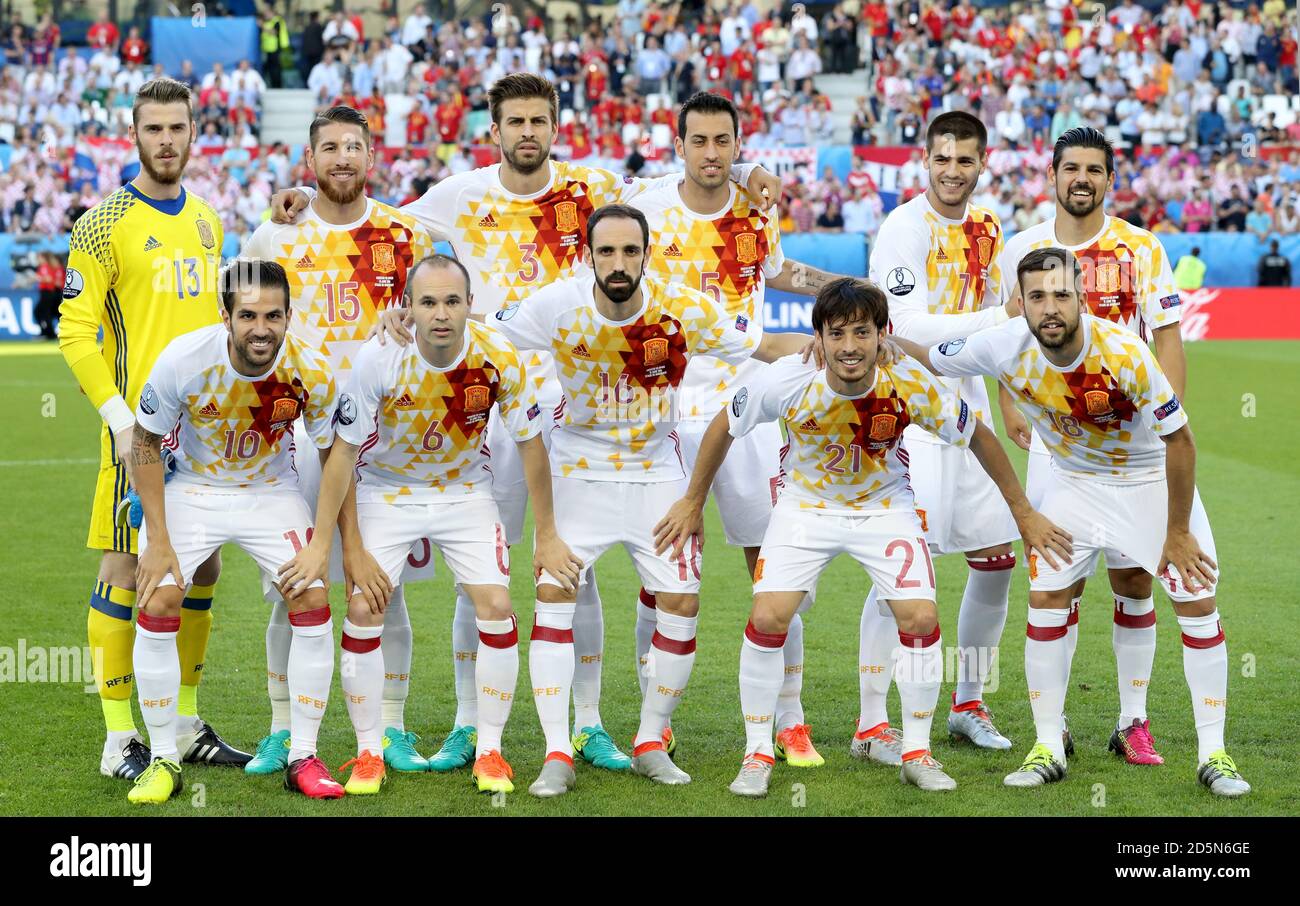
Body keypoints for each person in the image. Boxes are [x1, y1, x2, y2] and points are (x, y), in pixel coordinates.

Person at [270, 73, 781, 774]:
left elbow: (681, 178)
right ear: (496, 130)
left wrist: (749, 168)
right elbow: (383, 215)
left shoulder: (592, 189)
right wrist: (303, 206)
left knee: (571, 569)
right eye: (515, 122)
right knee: (477, 574)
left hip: (564, 417)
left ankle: (589, 723)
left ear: (555, 125)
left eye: (539, 120)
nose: (528, 133)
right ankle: (467, 725)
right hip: (476, 410)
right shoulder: (461, 195)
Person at [655, 278, 1067, 796]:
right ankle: (757, 751)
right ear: (818, 339)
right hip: (805, 507)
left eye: (862, 333)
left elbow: (979, 437)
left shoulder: (909, 381)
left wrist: (1023, 513)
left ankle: (916, 752)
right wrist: (692, 501)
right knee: (768, 615)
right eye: (837, 334)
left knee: (920, 617)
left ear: (882, 335)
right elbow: (722, 426)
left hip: (884, 506)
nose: (850, 346)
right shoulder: (786, 379)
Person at [485, 204, 813, 796]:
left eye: (629, 252)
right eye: (605, 252)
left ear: (646, 254)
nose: (618, 263)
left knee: (682, 607)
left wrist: (843, 344)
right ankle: (558, 751)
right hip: (578, 472)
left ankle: (649, 740)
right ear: (588, 255)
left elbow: (764, 346)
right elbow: (479, 330)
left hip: (658, 473)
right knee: (554, 596)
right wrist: (406, 319)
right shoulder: (555, 305)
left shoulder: (684, 308)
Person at [896, 247, 1249, 798]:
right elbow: (930, 358)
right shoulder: (1001, 346)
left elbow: (1180, 441)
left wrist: (1177, 531)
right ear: (1020, 303)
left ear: (1082, 297)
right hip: (1073, 484)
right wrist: (870, 335)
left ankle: (1215, 755)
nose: (1050, 307)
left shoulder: (1124, 352)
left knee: (1198, 600)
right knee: (1046, 599)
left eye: (1062, 294)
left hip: (1148, 479)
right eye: (1037, 297)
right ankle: (1047, 747)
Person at [279, 254, 579, 795]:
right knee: (365, 605)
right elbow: (342, 455)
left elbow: (533, 446)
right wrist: (333, 544)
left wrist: (549, 534)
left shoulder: (496, 355)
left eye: (451, 301)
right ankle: (369, 750)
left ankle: (490, 750)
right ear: (408, 308)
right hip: (385, 492)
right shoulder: (379, 357)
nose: (440, 314)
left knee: (497, 605)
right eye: (428, 303)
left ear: (470, 305)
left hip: (466, 491)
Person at [628, 91, 845, 768]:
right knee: (662, 572)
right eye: (700, 141)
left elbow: (777, 271)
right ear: (679, 144)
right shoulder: (645, 206)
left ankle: (790, 719)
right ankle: (654, 722)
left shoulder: (754, 210)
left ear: (737, 146)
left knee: (769, 566)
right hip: (663, 409)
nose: (713, 154)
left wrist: (844, 287)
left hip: (747, 410)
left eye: (725, 142)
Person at [998, 127, 1209, 765]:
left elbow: (1167, 335)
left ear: (1109, 181)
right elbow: (1004, 335)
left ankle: (1131, 720)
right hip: (1058, 444)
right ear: (1053, 176)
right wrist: (1009, 402)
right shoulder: (1024, 248)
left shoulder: (1141, 248)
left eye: (1094, 169)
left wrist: (1163, 412)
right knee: (1053, 582)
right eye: (1071, 168)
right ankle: (1050, 730)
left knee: (1133, 579)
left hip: (1132, 445)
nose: (1081, 179)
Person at [58, 77, 247, 782]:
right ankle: (117, 740)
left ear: (194, 132)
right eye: (154, 129)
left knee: (203, 567)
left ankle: (187, 723)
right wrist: (116, 417)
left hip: (203, 434)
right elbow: (75, 332)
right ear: (134, 135)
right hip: (139, 435)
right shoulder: (101, 223)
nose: (167, 140)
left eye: (178, 128)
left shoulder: (206, 218)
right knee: (126, 569)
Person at [241, 105, 437, 775]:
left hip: (388, 437)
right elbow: (241, 325)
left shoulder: (407, 233)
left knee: (384, 587)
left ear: (372, 159)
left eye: (355, 146)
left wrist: (412, 321)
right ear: (311, 162)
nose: (343, 158)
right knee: (296, 584)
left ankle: (392, 727)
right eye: (330, 148)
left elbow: (448, 314)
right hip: (298, 436)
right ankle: (281, 729)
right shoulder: (275, 236)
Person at [129, 259, 340, 803]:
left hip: (271, 490)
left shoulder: (310, 368)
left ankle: (304, 756)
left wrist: (323, 544)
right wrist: (156, 540)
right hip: (194, 489)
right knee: (158, 600)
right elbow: (144, 443)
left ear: (289, 316)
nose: (261, 328)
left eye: (273, 315)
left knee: (312, 597)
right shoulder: (185, 359)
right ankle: (163, 759)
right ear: (226, 315)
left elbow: (335, 451)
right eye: (248, 315)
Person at [856, 110, 1025, 760]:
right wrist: (998, 316)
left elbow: (1004, 334)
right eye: (943, 158)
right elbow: (902, 326)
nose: (953, 171)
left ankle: (968, 704)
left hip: (970, 407)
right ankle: (873, 723)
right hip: (911, 412)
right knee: (898, 568)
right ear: (925, 159)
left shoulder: (988, 228)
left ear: (982, 163)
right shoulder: (904, 227)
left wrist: (1008, 401)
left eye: (965, 160)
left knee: (995, 560)